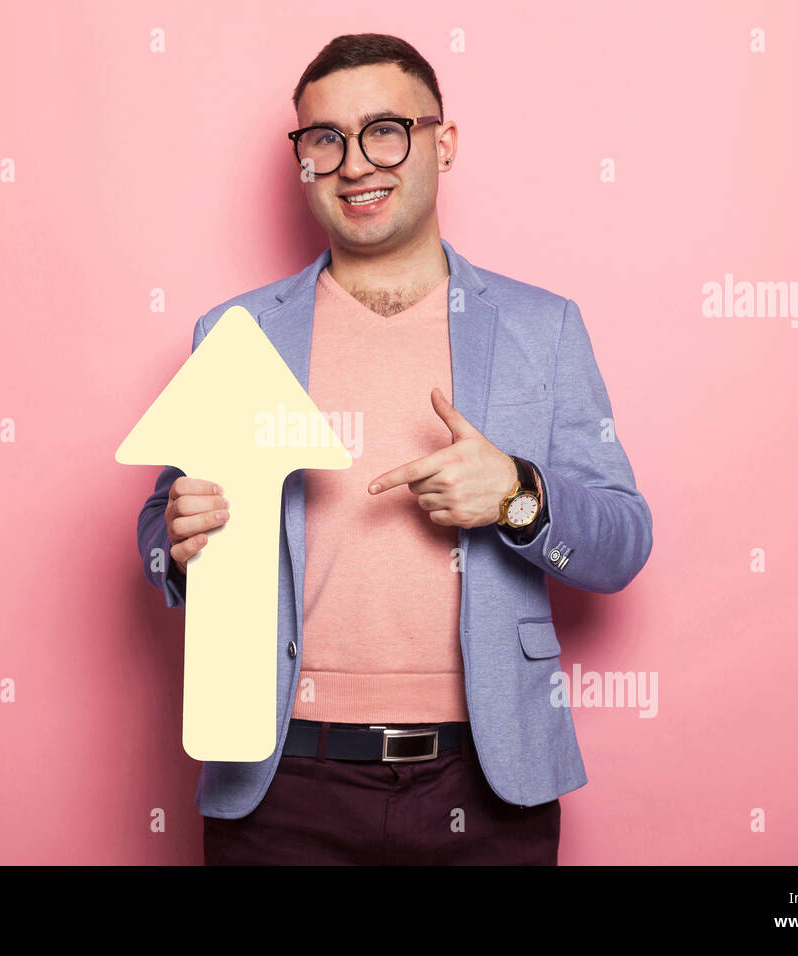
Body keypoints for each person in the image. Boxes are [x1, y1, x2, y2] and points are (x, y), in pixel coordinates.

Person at [133, 33, 653, 865]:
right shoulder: (239, 332)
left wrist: (518, 495)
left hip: (485, 781)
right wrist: (180, 543)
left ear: (441, 143)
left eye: (386, 130)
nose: (354, 163)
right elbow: (167, 516)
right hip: (279, 781)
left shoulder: (541, 328)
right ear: (302, 160)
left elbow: (623, 543)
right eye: (323, 140)